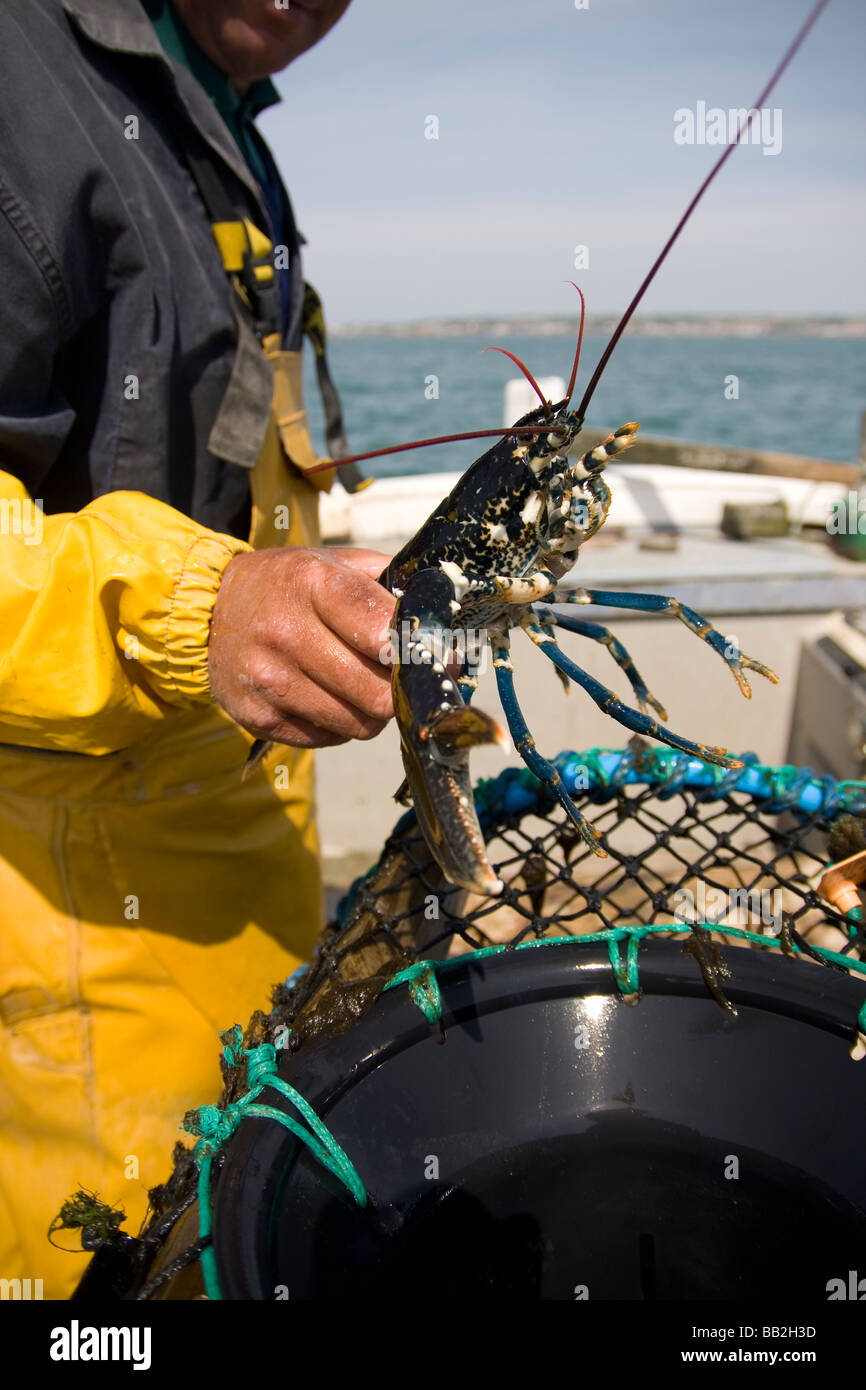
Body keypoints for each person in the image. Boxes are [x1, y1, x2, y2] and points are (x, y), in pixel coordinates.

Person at [0, 0, 395, 1298]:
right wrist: (193, 611)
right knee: (114, 1286)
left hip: (239, 863)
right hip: (62, 925)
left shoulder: (209, 108)